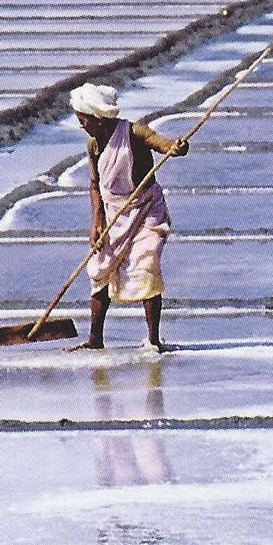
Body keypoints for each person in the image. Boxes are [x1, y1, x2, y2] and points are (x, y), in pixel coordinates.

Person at [67, 83, 187, 351]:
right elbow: (95, 183)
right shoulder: (94, 145)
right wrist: (97, 222)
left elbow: (161, 143)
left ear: (97, 118)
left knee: (148, 262)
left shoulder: (133, 132)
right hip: (113, 213)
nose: (82, 125)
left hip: (145, 209)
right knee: (100, 270)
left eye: (83, 120)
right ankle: (95, 339)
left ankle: (153, 340)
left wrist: (175, 147)